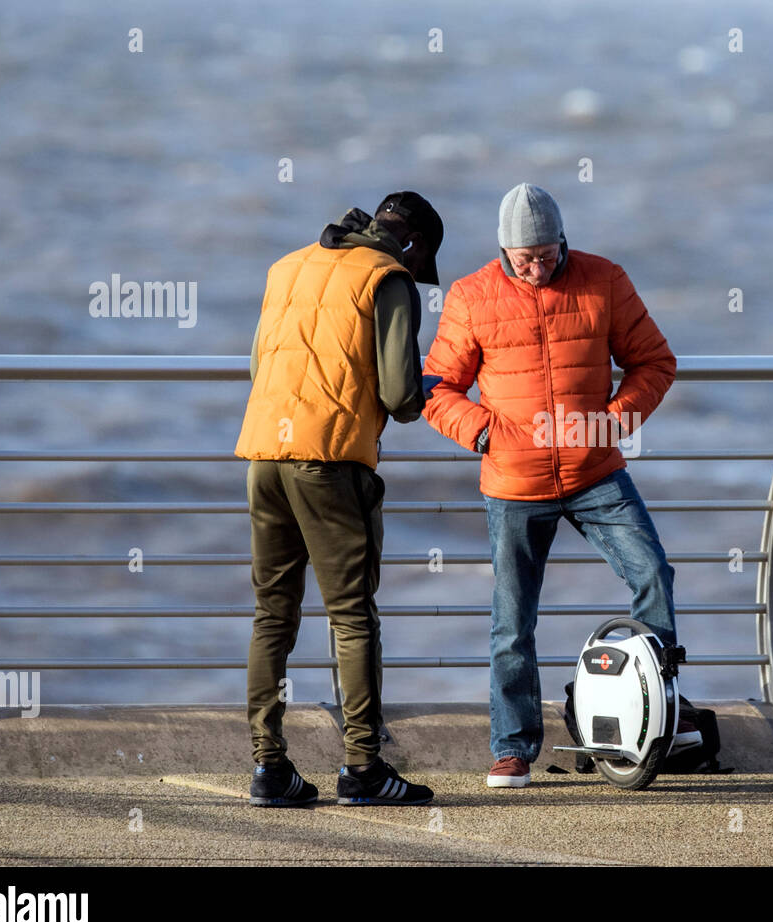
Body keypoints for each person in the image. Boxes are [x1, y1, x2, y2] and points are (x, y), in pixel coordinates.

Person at [422, 183, 689, 788]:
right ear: (503, 251)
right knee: (512, 621)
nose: (537, 268)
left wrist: (613, 422)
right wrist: (485, 433)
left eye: (546, 255)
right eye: (525, 259)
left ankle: (656, 717)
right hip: (513, 482)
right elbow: (437, 388)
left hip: (596, 473)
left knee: (652, 573)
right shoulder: (470, 295)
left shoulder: (604, 280)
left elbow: (655, 362)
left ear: (563, 241)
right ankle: (513, 748)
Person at [235, 193, 442, 807]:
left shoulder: (288, 266)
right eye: (422, 263)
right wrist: (426, 390)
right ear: (412, 244)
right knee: (352, 616)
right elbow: (399, 395)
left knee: (273, 614)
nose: (417, 275)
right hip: (328, 461)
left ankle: (270, 768)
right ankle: (363, 768)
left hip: (264, 455)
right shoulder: (387, 277)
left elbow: (259, 366)